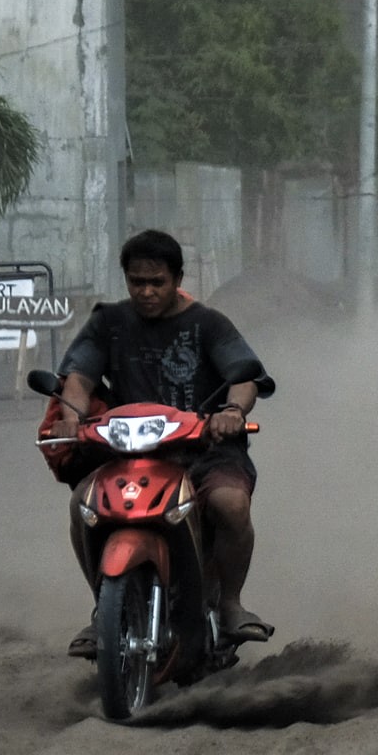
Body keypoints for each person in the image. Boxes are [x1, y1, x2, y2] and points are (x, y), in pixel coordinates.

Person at [48, 229, 276, 657]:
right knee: (84, 503)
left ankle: (229, 604)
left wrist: (231, 413)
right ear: (126, 280)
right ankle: (104, 611)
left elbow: (244, 378)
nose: (147, 292)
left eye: (157, 282)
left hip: (205, 449)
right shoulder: (108, 323)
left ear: (177, 278)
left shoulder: (208, 323)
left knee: (231, 504)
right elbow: (78, 378)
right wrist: (70, 416)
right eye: (137, 282)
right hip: (129, 450)